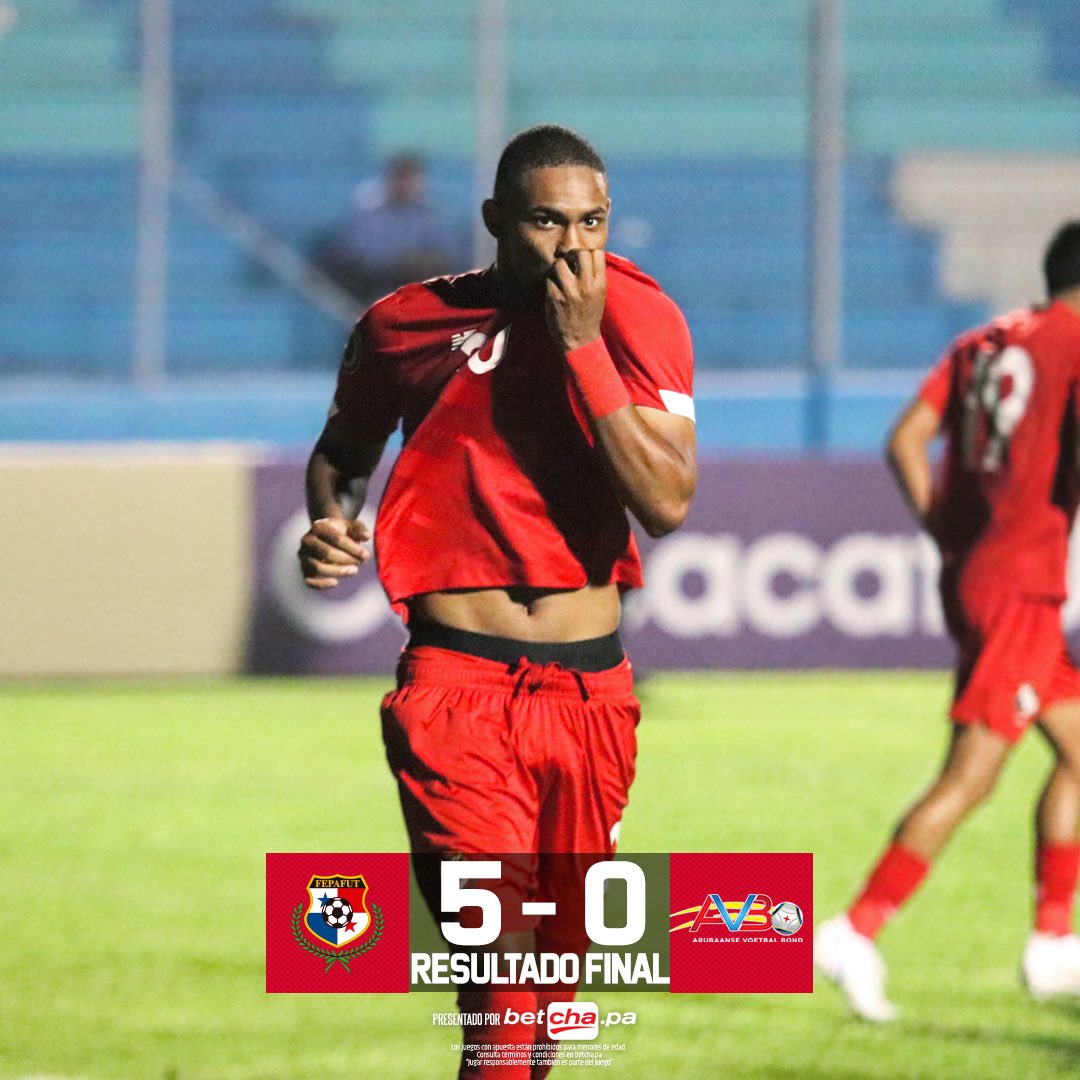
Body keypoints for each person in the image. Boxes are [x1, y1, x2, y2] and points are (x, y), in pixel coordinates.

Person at [297, 125, 696, 1077]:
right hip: (458, 692)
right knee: (502, 978)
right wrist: (329, 520)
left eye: (592, 222)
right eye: (548, 221)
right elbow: (342, 456)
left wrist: (583, 348)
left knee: (549, 1000)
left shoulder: (641, 316)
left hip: (591, 696)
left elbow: (666, 501)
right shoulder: (404, 324)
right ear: (494, 220)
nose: (574, 245)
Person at [816, 221, 1080, 1022]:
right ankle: (855, 930)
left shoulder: (984, 342)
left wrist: (947, 531)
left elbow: (907, 440)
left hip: (983, 575)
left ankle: (1052, 943)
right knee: (972, 775)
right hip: (1021, 587)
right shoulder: (1073, 343)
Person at [314, 153, 461, 307]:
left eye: (409, 179)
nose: (404, 185)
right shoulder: (367, 212)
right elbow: (358, 251)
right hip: (373, 281)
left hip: (418, 281)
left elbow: (447, 254)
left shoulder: (433, 215)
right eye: (400, 179)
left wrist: (419, 261)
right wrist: (398, 261)